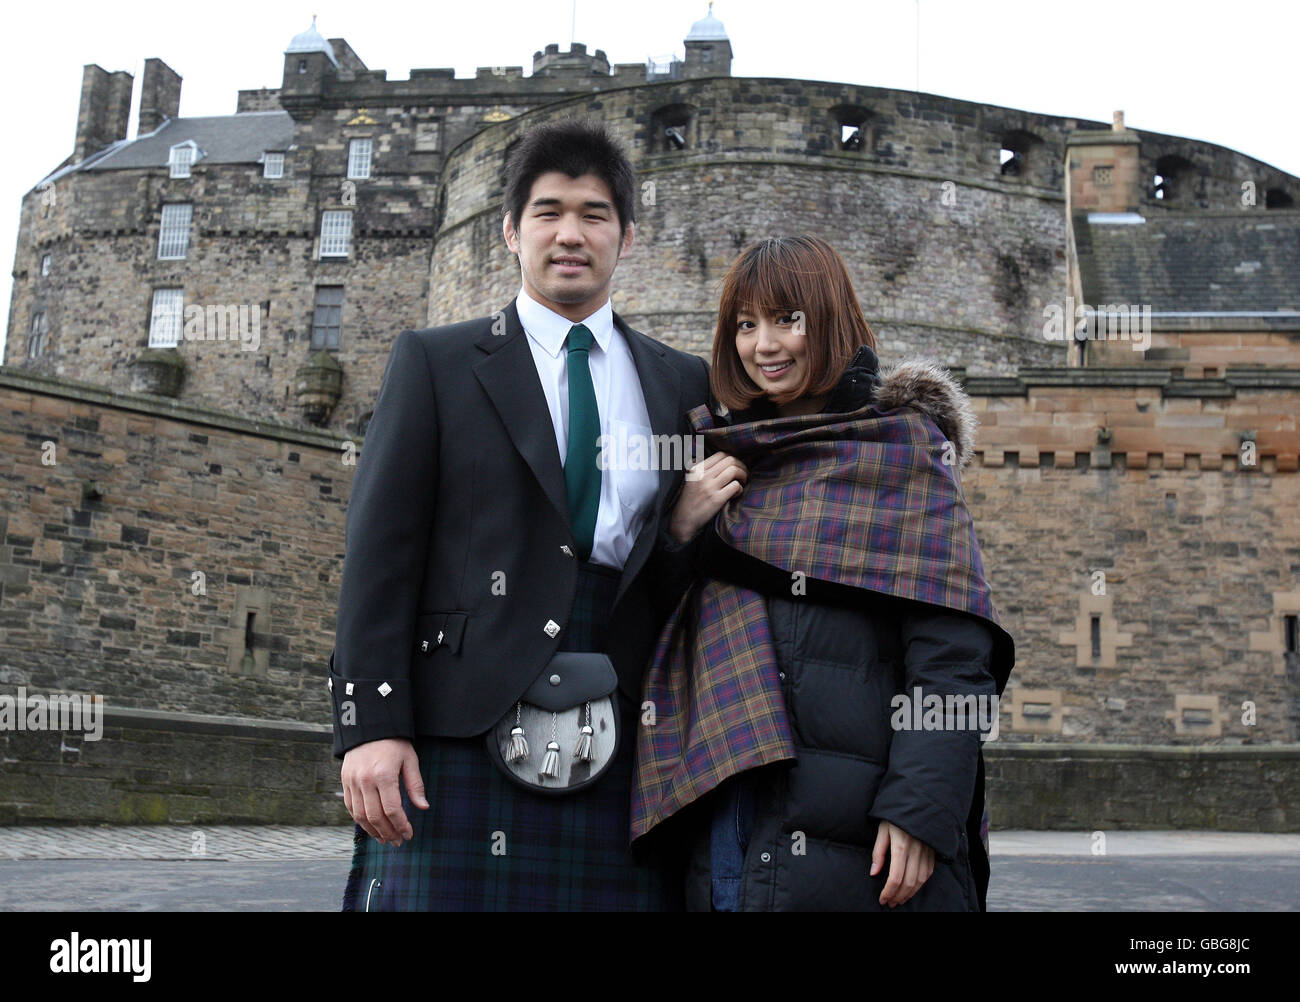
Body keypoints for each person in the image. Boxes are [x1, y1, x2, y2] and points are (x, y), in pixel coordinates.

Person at [327, 119, 712, 910]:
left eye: (594, 214)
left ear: (627, 237)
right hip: (459, 728)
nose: (571, 233)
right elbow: (378, 555)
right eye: (548, 211)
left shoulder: (681, 383)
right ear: (509, 231)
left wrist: (679, 538)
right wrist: (371, 724)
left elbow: (675, 573)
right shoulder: (435, 362)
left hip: (627, 723)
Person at [630, 235, 1016, 911]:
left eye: (787, 320)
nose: (765, 345)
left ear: (828, 320)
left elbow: (955, 658)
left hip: (863, 827)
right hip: (727, 817)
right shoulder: (718, 459)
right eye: (746, 325)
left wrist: (920, 808)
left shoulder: (901, 454)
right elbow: (659, 642)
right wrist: (681, 532)